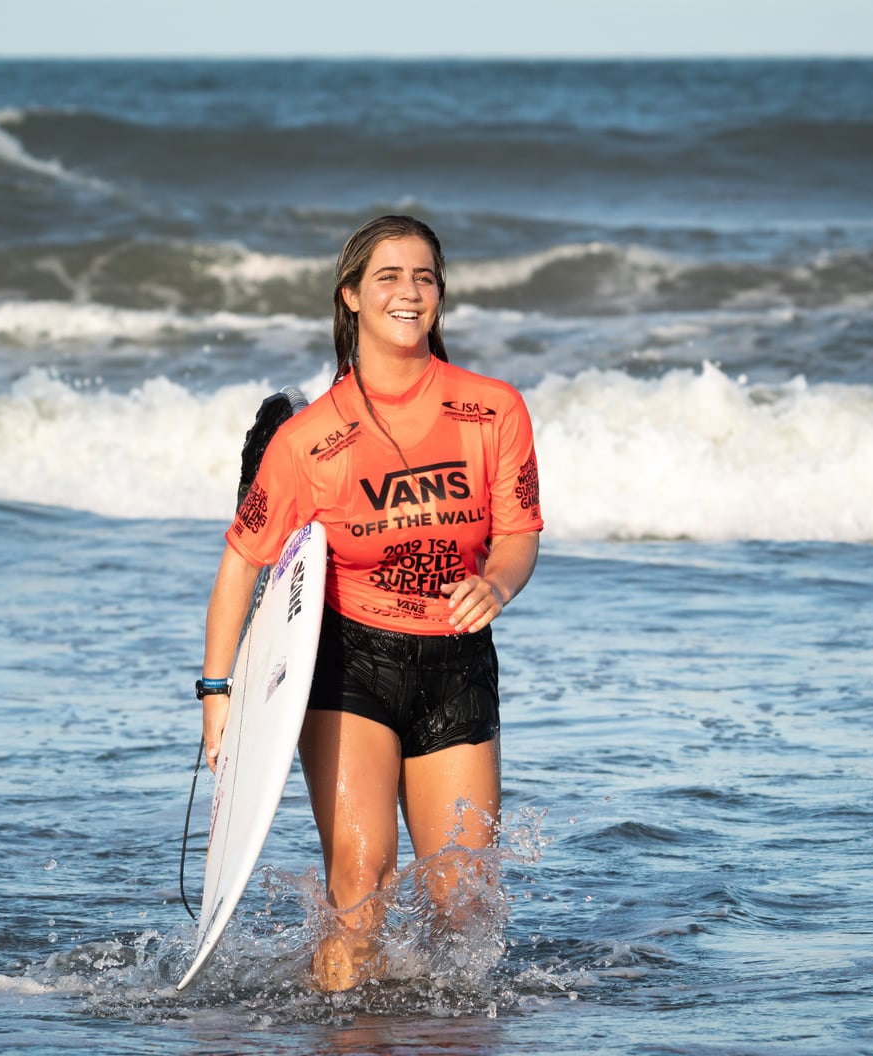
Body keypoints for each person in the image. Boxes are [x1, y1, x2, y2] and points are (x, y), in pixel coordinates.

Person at [199, 215, 543, 991]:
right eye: (388, 277)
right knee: (362, 881)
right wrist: (217, 690)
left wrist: (497, 582)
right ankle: (343, 1029)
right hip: (349, 661)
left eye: (424, 277)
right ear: (351, 295)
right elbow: (243, 560)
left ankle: (439, 1035)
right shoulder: (309, 439)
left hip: (458, 664)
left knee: (462, 899)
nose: (408, 292)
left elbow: (519, 534)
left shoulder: (493, 409)